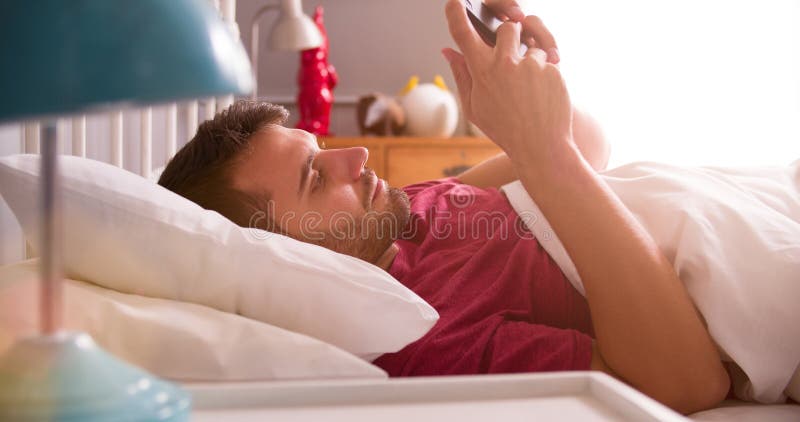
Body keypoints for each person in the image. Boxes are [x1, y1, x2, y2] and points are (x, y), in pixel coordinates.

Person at [158, 0, 730, 414]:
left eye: (323, 151)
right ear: (274, 256)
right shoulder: (425, 332)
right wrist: (546, 153)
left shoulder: (397, 212)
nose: (356, 155)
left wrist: (532, 79)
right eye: (314, 177)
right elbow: (687, 383)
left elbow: (584, 147)